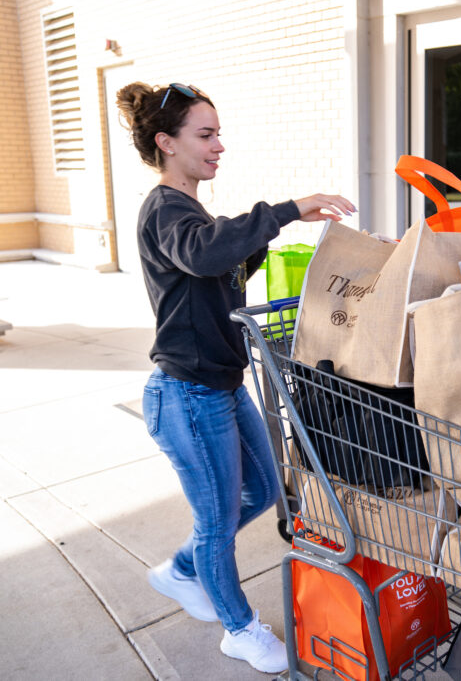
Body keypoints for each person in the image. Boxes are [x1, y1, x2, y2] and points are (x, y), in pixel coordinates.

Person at [115, 81, 356, 674]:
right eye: (205, 134)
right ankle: (239, 630)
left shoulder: (191, 211)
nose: (219, 145)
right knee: (217, 523)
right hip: (188, 395)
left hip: (220, 386)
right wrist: (288, 210)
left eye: (218, 132)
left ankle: (183, 570)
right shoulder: (167, 207)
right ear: (166, 142)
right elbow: (201, 255)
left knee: (264, 488)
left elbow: (212, 269)